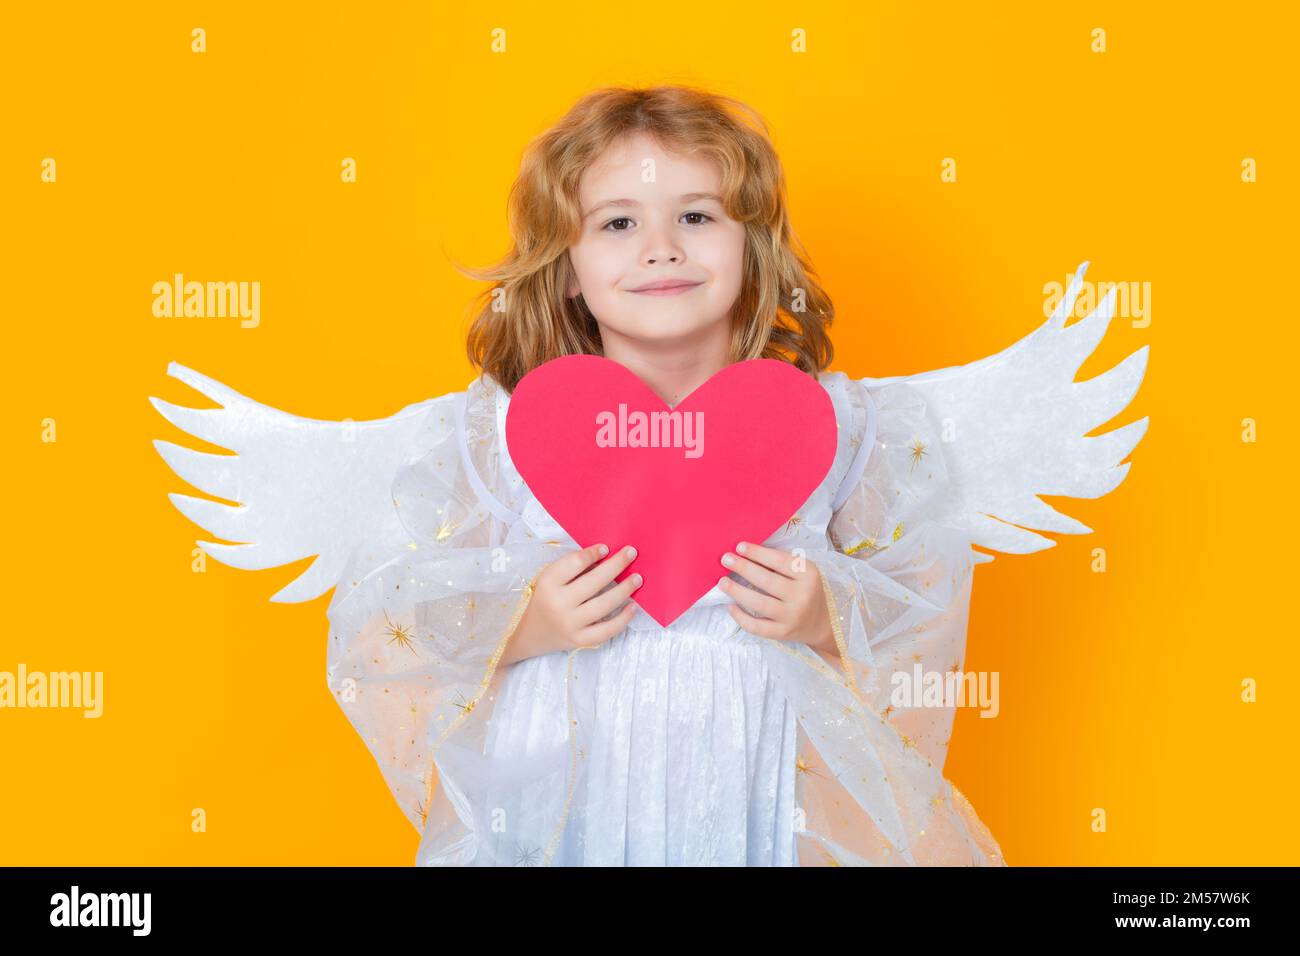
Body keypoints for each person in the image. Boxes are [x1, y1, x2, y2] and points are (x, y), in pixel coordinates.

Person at [322, 85, 1007, 865]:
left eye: (696, 216)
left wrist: (827, 613)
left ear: (750, 245)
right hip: (563, 803)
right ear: (569, 267)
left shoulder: (842, 430)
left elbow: (925, 592)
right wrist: (526, 619)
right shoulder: (500, 434)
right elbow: (389, 618)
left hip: (767, 791)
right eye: (618, 223)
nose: (662, 247)